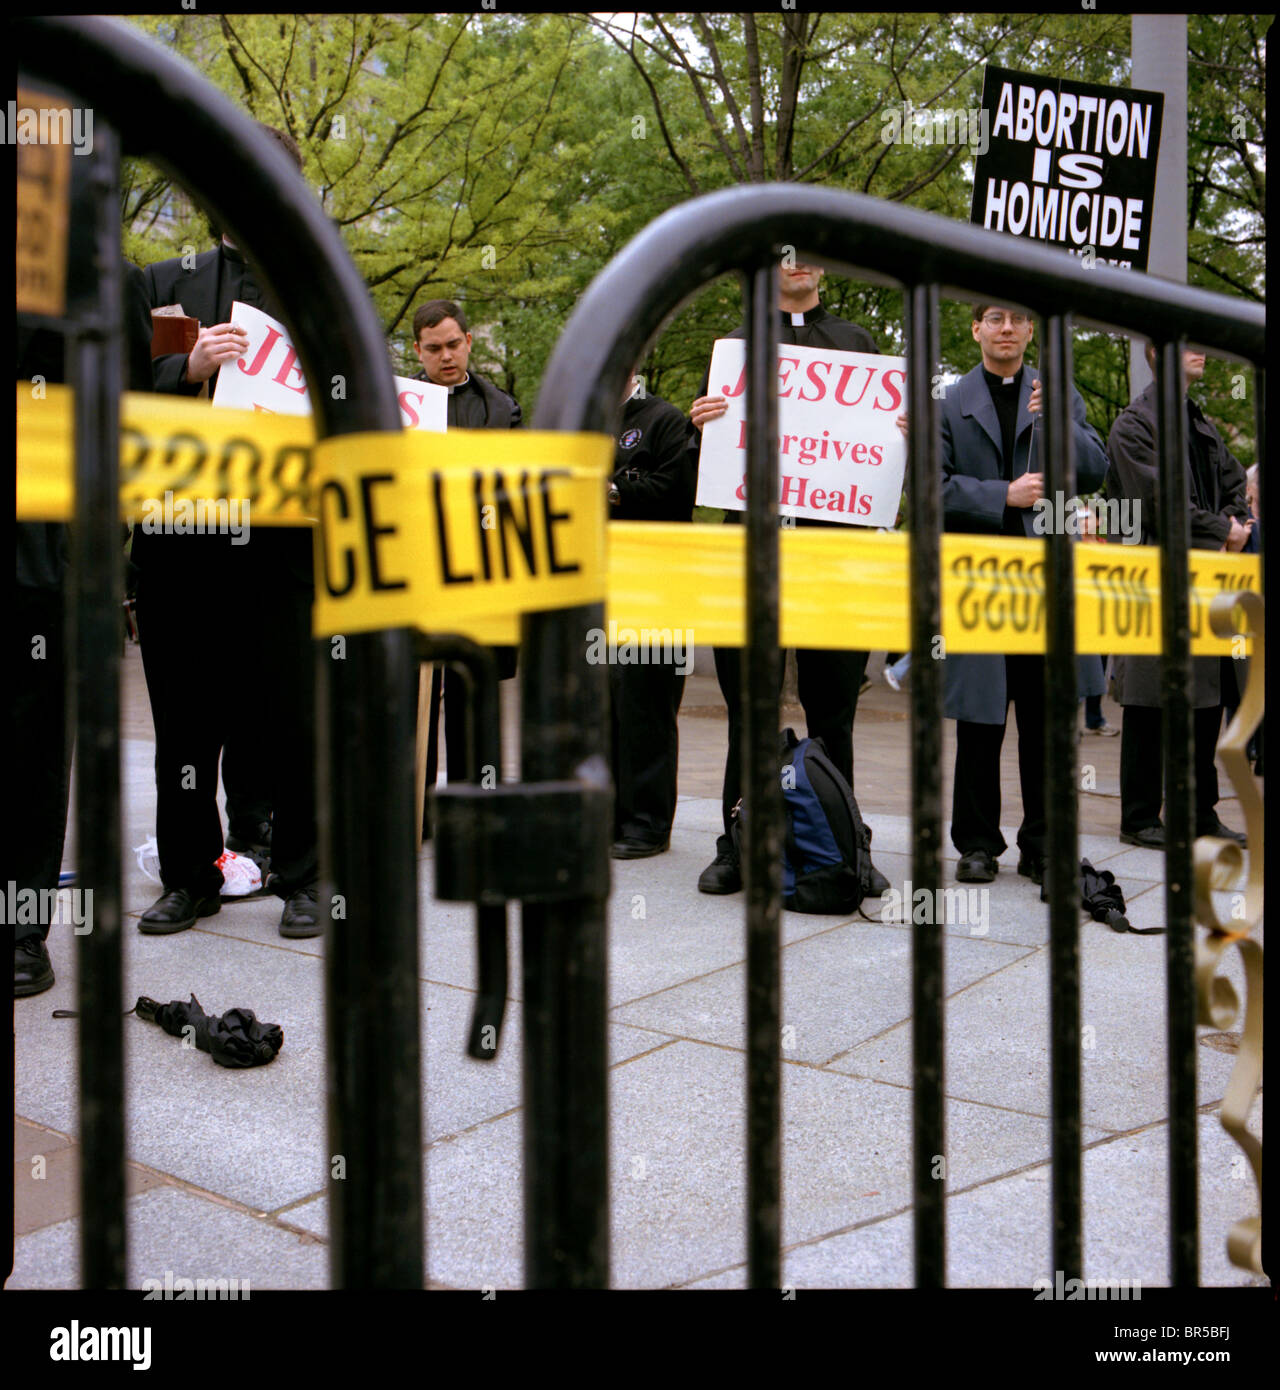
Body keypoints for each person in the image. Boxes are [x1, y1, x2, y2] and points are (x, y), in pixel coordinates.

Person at [135, 122, 321, 936]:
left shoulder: (325, 287)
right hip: (180, 540)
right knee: (183, 722)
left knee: (292, 716)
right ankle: (190, 876)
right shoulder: (163, 284)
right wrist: (188, 370)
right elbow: (122, 398)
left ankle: (306, 877)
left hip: (282, 542)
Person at [692, 262, 879, 895]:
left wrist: (898, 434)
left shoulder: (858, 346)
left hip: (834, 557)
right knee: (750, 708)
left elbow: (877, 453)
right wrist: (703, 425)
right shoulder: (735, 351)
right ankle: (737, 843)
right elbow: (710, 463)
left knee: (835, 712)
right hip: (754, 550)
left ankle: (847, 844)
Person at [14, 262, 155, 994]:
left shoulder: (102, 274)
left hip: (44, 555)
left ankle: (20, 931)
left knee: (35, 749)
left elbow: (124, 420)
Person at [940, 304, 1108, 884]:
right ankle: (978, 843)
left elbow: (1094, 471)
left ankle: (1043, 843)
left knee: (1044, 717)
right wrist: (1000, 495)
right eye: (993, 318)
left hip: (1046, 587)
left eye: (1017, 319)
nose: (1006, 328)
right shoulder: (949, 403)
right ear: (976, 330)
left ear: (1031, 332)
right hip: (982, 586)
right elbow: (930, 490)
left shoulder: (1059, 394)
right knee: (979, 721)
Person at [1105, 342, 1251, 848]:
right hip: (1154, 577)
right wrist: (1225, 529)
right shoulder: (1134, 424)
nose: (1202, 351)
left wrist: (1239, 521)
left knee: (1205, 698)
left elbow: (1236, 483)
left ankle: (1198, 813)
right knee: (1149, 700)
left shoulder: (1198, 421)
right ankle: (1140, 817)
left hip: (1205, 575)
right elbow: (1161, 505)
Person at [410, 299, 521, 809]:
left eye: (454, 344)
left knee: (471, 693)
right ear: (418, 350)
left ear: (469, 342)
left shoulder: (503, 409)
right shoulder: (399, 404)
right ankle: (414, 802)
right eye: (434, 348)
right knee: (412, 693)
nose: (446, 356)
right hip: (414, 571)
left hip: (479, 572)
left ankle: (473, 800)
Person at [607, 377, 697, 857]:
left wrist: (613, 491)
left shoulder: (665, 420)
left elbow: (677, 491)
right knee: (604, 704)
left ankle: (647, 823)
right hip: (598, 582)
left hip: (658, 583)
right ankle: (608, 816)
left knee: (648, 703)